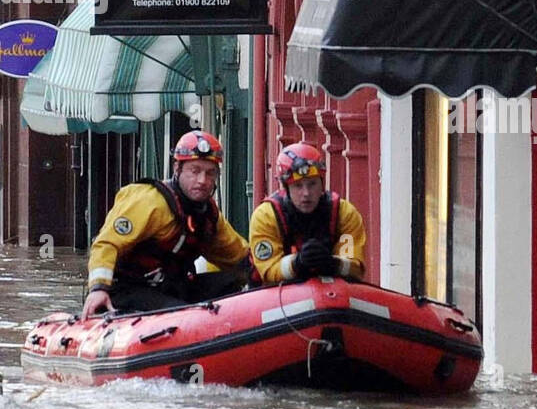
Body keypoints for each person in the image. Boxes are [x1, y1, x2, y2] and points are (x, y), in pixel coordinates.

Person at [81, 130, 250, 320]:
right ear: (177, 168)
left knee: (235, 281)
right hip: (127, 290)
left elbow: (238, 255)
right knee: (183, 315)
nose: (202, 181)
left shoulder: (208, 215)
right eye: (194, 171)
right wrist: (98, 288)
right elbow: (107, 244)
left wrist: (269, 271)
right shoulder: (150, 201)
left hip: (172, 286)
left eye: (210, 173)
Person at [248, 142, 366, 285]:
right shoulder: (266, 216)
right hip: (277, 297)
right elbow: (267, 271)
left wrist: (332, 262)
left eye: (312, 184)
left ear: (322, 183)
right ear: (286, 187)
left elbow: (355, 268)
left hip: (331, 295)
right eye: (298, 186)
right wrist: (297, 263)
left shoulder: (344, 213)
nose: (306, 193)